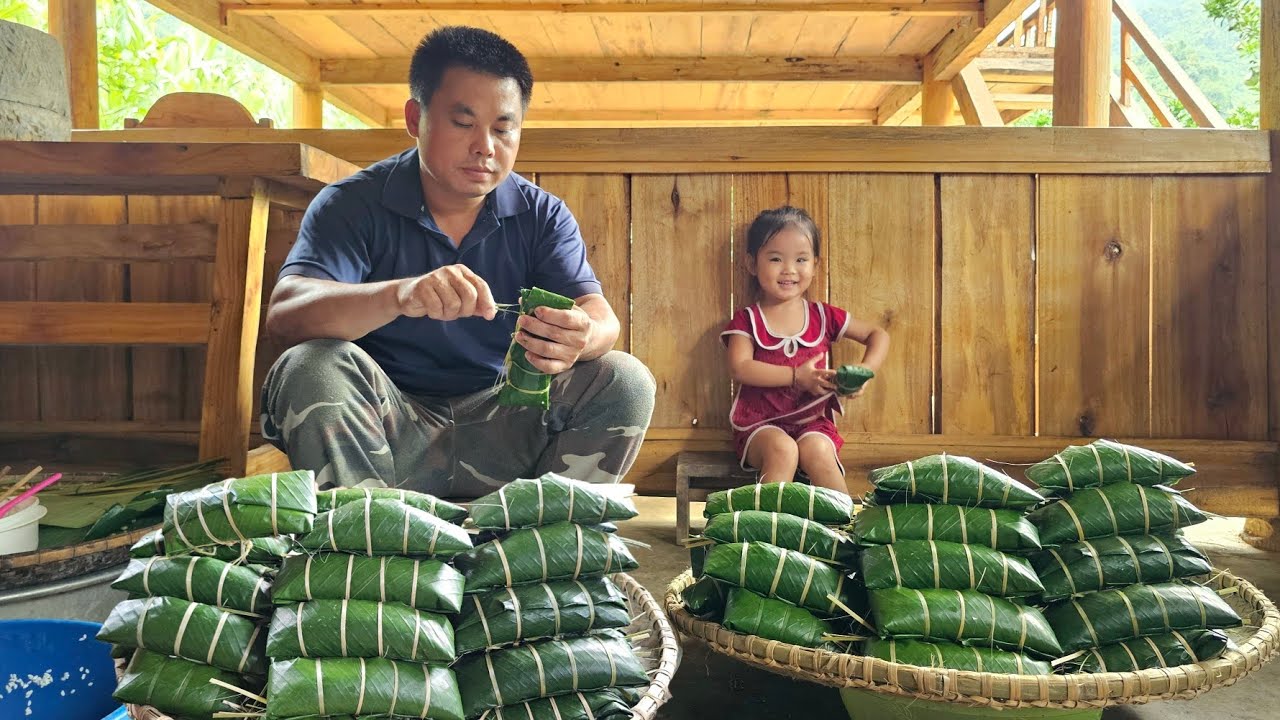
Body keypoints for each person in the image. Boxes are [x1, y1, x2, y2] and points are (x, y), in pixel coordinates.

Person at [260, 26, 656, 497]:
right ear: (415, 117)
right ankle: (365, 542)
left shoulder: (542, 214)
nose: (485, 146)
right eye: (464, 123)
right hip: (385, 432)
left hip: (505, 426)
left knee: (625, 377)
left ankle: (547, 543)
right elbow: (286, 314)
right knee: (310, 365)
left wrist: (583, 336)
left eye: (504, 128)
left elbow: (600, 316)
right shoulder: (350, 203)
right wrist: (399, 294)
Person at [720, 206, 890, 494]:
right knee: (783, 450)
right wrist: (796, 376)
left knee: (819, 452)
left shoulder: (823, 316)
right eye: (775, 259)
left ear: (815, 264)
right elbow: (740, 367)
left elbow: (878, 335)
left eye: (801, 259)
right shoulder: (748, 320)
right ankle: (765, 526)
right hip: (760, 426)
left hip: (813, 422)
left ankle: (845, 528)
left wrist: (864, 373)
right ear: (751, 264)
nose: (789, 269)